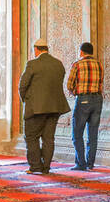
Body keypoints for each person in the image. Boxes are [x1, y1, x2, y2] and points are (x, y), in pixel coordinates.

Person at [18, 40, 70, 175]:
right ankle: (46, 167)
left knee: (31, 137)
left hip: (36, 109)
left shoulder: (33, 64)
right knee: (48, 138)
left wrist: (26, 101)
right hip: (55, 107)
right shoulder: (58, 64)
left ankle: (35, 166)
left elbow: (22, 86)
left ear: (36, 49)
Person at [67, 42, 104, 171]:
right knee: (93, 134)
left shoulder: (77, 64)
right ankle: (90, 163)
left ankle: (81, 164)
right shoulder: (99, 64)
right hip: (97, 99)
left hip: (83, 99)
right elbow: (100, 83)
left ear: (81, 52)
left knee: (77, 133)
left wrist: (74, 92)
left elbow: (69, 85)